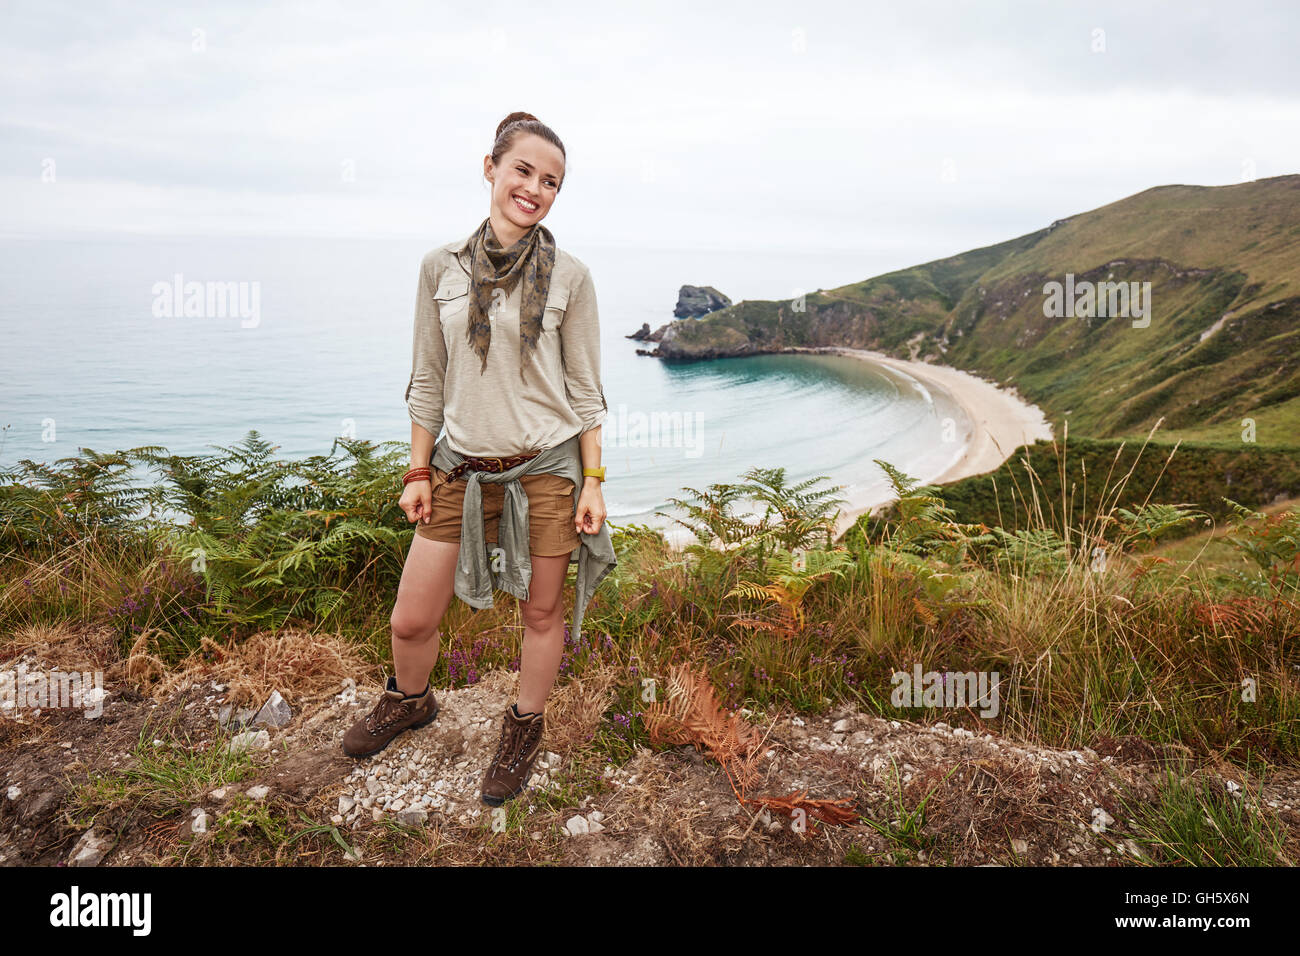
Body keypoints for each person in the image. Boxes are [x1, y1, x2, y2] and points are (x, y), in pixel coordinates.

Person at [342, 111, 617, 808]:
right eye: (523, 170)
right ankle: (410, 701)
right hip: (459, 467)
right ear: (490, 167)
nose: (535, 188)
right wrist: (415, 468)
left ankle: (523, 729)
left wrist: (594, 480)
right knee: (411, 619)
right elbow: (428, 378)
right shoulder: (441, 267)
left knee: (542, 613)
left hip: (547, 468)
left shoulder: (572, 278)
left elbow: (584, 390)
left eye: (551, 181)